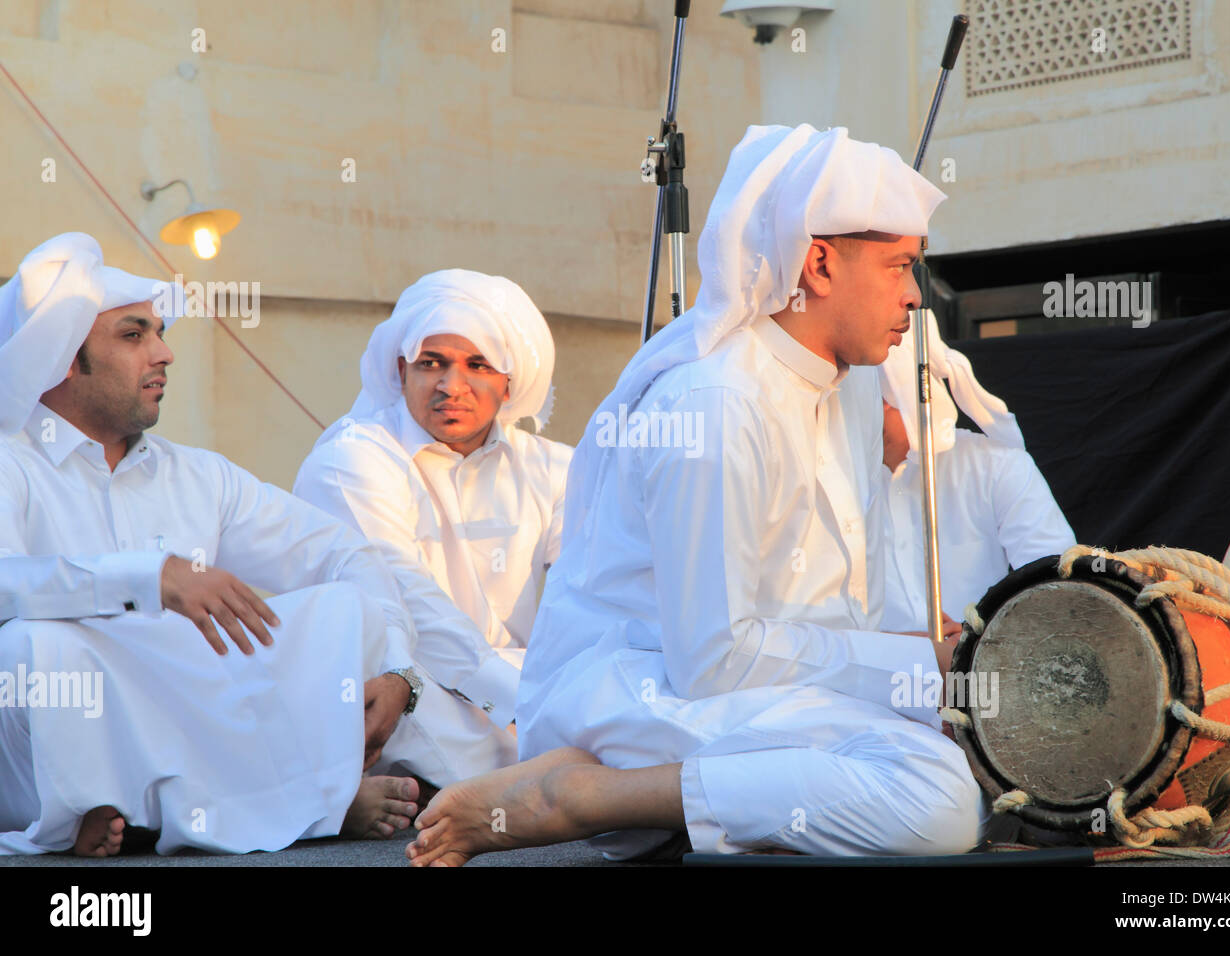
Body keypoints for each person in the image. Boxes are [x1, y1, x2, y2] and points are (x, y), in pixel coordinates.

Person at [406, 124, 983, 866]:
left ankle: (680, 808)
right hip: (643, 689)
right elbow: (715, 658)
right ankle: (584, 797)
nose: (913, 296)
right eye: (901, 266)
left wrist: (922, 657)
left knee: (991, 740)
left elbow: (819, 610)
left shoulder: (847, 388)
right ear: (819, 263)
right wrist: (911, 666)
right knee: (936, 797)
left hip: (752, 688)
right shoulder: (713, 405)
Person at [0, 233, 423, 855]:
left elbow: (343, 554)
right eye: (134, 335)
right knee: (33, 647)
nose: (165, 353)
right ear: (64, 356)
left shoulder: (201, 476)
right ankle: (311, 802)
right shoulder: (11, 461)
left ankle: (152, 814)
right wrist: (150, 577)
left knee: (339, 610)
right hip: (59, 710)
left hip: (177, 704)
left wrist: (398, 667)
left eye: (160, 333)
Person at [295, 270, 572, 785]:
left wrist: (559, 684)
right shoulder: (352, 460)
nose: (452, 386)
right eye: (432, 363)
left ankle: (554, 769)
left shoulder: (554, 470)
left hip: (521, 679)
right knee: (404, 704)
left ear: (510, 381)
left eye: (478, 365)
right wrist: (526, 705)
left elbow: (591, 597)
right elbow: (407, 601)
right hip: (406, 679)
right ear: (401, 370)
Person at [875, 309, 1075, 633]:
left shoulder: (997, 467)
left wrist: (978, 640)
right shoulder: (823, 477)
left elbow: (1060, 589)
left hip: (989, 676)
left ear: (888, 393)